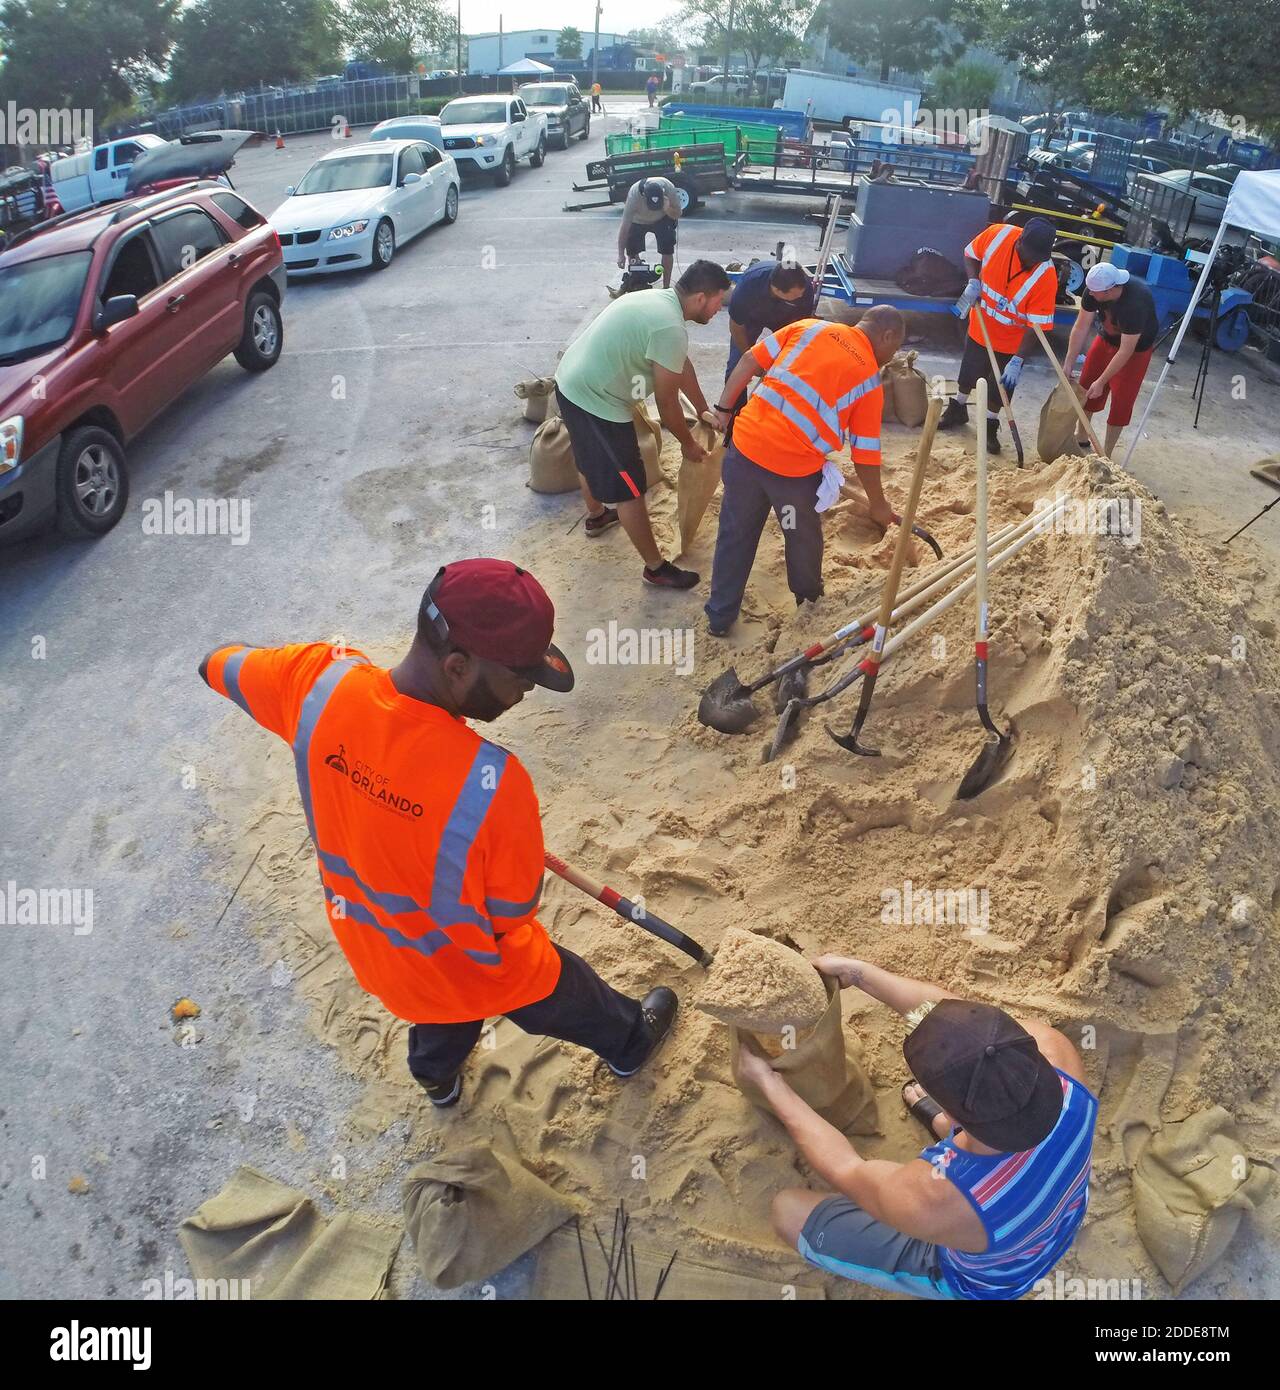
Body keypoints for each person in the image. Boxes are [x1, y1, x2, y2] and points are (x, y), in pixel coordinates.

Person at [197, 560, 678, 1109]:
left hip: (378, 954)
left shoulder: (317, 682)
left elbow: (216, 665)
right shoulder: (493, 786)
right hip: (477, 964)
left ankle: (436, 1080)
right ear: (456, 667)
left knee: (437, 1018)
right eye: (520, 678)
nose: (525, 692)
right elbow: (510, 915)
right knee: (560, 988)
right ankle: (630, 1040)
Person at [747, 955, 1097, 1300]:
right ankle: (946, 1127)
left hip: (988, 1279)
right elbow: (959, 1018)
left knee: (787, 1210)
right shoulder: (1054, 1051)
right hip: (1058, 1217)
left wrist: (770, 1085)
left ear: (958, 1117)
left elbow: (846, 1168)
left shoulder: (934, 1198)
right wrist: (859, 973)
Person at [704, 306, 906, 637]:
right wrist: (879, 504)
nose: (890, 357)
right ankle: (809, 601)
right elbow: (866, 454)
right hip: (791, 475)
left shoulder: (809, 328)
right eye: (894, 349)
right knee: (801, 537)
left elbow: (748, 362)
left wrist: (724, 410)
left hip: (744, 449)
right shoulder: (869, 377)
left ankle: (719, 615)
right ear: (886, 336)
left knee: (735, 532)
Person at [556, 258, 731, 590]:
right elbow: (666, 405)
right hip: (597, 402)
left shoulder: (658, 301)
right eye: (718, 301)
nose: (717, 310)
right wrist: (688, 444)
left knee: (588, 453)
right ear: (700, 298)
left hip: (570, 380)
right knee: (631, 488)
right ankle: (655, 568)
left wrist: (702, 409)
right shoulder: (670, 328)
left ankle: (596, 516)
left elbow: (680, 365)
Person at [939, 216, 1059, 454]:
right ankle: (958, 408)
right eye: (1031, 254)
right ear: (1019, 243)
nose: (1034, 261)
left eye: (1039, 257)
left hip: (1012, 341)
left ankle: (990, 424)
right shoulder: (999, 235)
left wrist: (1018, 360)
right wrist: (973, 281)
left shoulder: (1046, 276)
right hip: (981, 323)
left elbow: (1036, 327)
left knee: (1001, 385)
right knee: (969, 370)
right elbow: (970, 253)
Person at [1064, 261, 1159, 458]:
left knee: (1121, 401)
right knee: (1086, 385)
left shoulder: (1135, 303)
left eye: (1095, 292)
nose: (1090, 295)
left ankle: (1106, 453)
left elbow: (1126, 350)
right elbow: (1081, 327)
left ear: (1109, 291)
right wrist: (1068, 363)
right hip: (1106, 339)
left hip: (1135, 352)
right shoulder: (1094, 290)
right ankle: (1081, 436)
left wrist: (1103, 381)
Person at [723, 259, 816, 419]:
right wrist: (750, 359)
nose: (801, 296)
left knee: (785, 370)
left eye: (801, 293)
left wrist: (779, 361)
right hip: (751, 319)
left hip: (785, 321)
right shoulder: (749, 285)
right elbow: (736, 325)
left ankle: (770, 419)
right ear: (776, 290)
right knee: (736, 367)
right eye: (795, 296)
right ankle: (734, 420)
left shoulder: (804, 289)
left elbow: (799, 328)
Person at [617, 175, 682, 289]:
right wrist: (620, 254)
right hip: (638, 220)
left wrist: (667, 209)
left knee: (667, 249)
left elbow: (677, 214)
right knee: (632, 250)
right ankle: (637, 280)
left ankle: (666, 287)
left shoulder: (669, 188)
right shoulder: (634, 195)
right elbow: (625, 227)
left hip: (662, 218)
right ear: (644, 196)